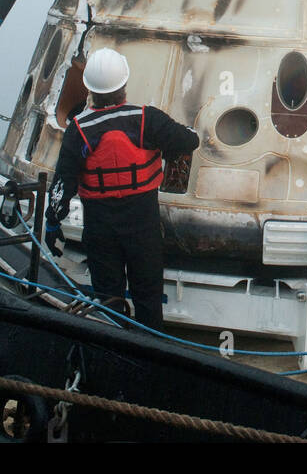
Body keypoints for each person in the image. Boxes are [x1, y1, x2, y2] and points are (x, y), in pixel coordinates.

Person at [46, 48, 199, 330]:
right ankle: (152, 350)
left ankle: (115, 348)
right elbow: (188, 142)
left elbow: (62, 184)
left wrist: (52, 223)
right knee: (148, 295)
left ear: (89, 89)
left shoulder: (79, 130)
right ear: (124, 84)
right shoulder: (146, 120)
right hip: (143, 223)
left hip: (100, 227)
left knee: (107, 296)